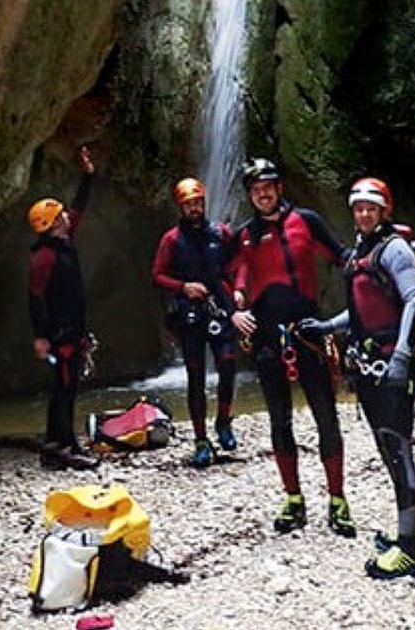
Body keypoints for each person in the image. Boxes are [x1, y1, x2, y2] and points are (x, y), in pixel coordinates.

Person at [298, 176, 415, 578]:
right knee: (392, 450)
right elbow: (362, 312)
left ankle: (409, 547)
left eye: (371, 208)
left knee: (397, 452)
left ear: (384, 211)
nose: (363, 214)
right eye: (358, 208)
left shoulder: (394, 249)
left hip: (391, 367)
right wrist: (327, 327)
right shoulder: (364, 250)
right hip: (371, 366)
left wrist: (401, 356)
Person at [228, 157, 355, 537]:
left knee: (325, 416)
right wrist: (232, 313)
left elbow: (343, 257)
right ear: (250, 195)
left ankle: (337, 499)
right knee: (279, 419)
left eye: (267, 185)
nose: (262, 193)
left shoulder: (307, 221)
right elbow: (215, 274)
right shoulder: (245, 236)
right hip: (267, 337)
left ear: (279, 187)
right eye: (255, 189)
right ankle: (294, 499)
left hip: (308, 334)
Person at [151, 177, 240, 468]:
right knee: (196, 374)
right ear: (181, 206)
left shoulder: (222, 233)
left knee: (227, 363)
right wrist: (183, 286)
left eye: (198, 202)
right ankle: (201, 438)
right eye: (188, 204)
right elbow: (157, 275)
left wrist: (238, 289)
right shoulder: (172, 239)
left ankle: (224, 421)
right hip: (189, 311)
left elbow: (240, 263)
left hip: (220, 308)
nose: (194, 208)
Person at [27, 146, 101, 471]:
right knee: (64, 387)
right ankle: (66, 445)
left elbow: (79, 207)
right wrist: (41, 337)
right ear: (51, 224)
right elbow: (36, 298)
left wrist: (88, 175)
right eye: (60, 216)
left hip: (72, 328)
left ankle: (55, 444)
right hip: (59, 333)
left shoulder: (63, 241)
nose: (67, 216)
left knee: (65, 387)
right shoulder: (44, 257)